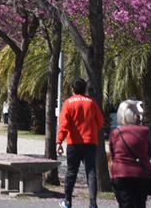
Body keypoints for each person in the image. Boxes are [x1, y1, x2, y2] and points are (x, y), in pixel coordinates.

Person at [57, 78, 104, 208]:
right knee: (91, 171)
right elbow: (100, 122)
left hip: (74, 143)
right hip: (90, 142)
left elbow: (63, 125)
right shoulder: (92, 103)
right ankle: (93, 203)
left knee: (71, 171)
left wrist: (59, 141)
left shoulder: (68, 103)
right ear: (85, 89)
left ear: (73, 89)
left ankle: (67, 201)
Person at [108, 100, 151, 208]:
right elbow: (149, 152)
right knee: (140, 204)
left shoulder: (115, 133)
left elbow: (113, 154)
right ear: (136, 115)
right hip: (141, 173)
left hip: (120, 172)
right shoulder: (145, 131)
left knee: (125, 204)